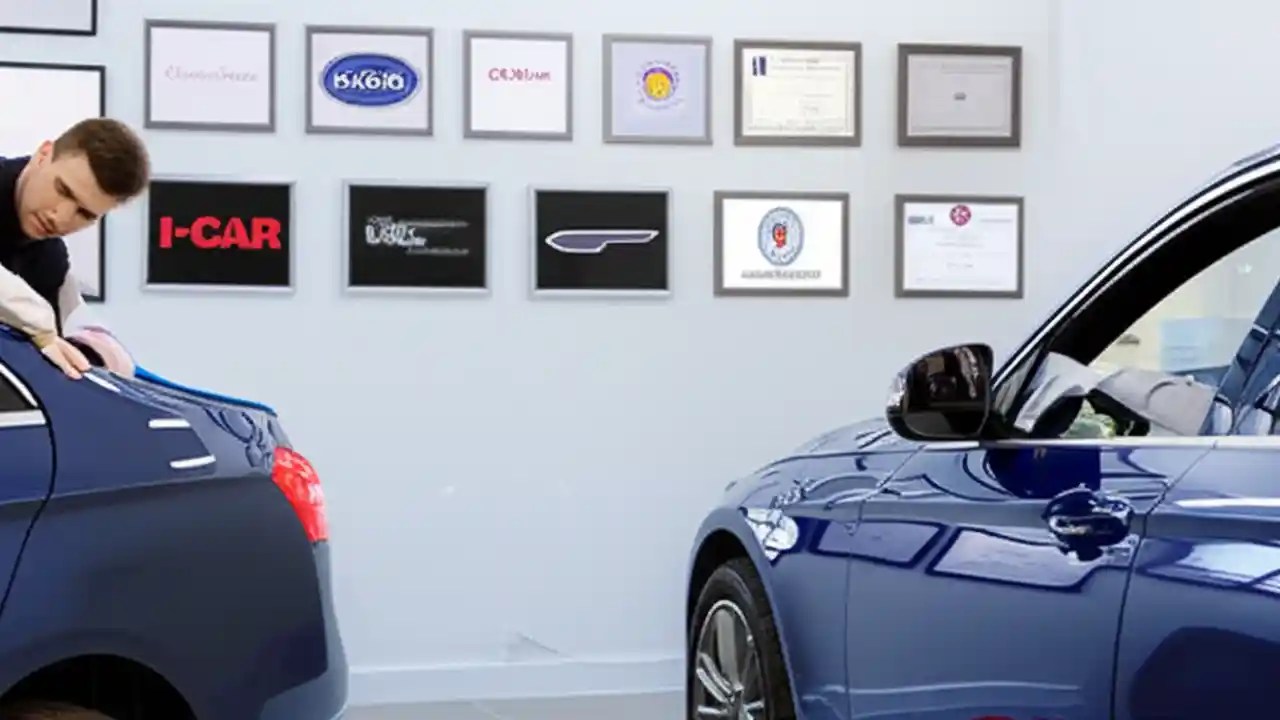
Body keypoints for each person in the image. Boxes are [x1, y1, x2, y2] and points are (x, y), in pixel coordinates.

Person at [0, 118, 150, 379]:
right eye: (63, 190)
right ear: (44, 154)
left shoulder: (51, 265)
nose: (60, 216)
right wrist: (33, 317)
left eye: (84, 213)